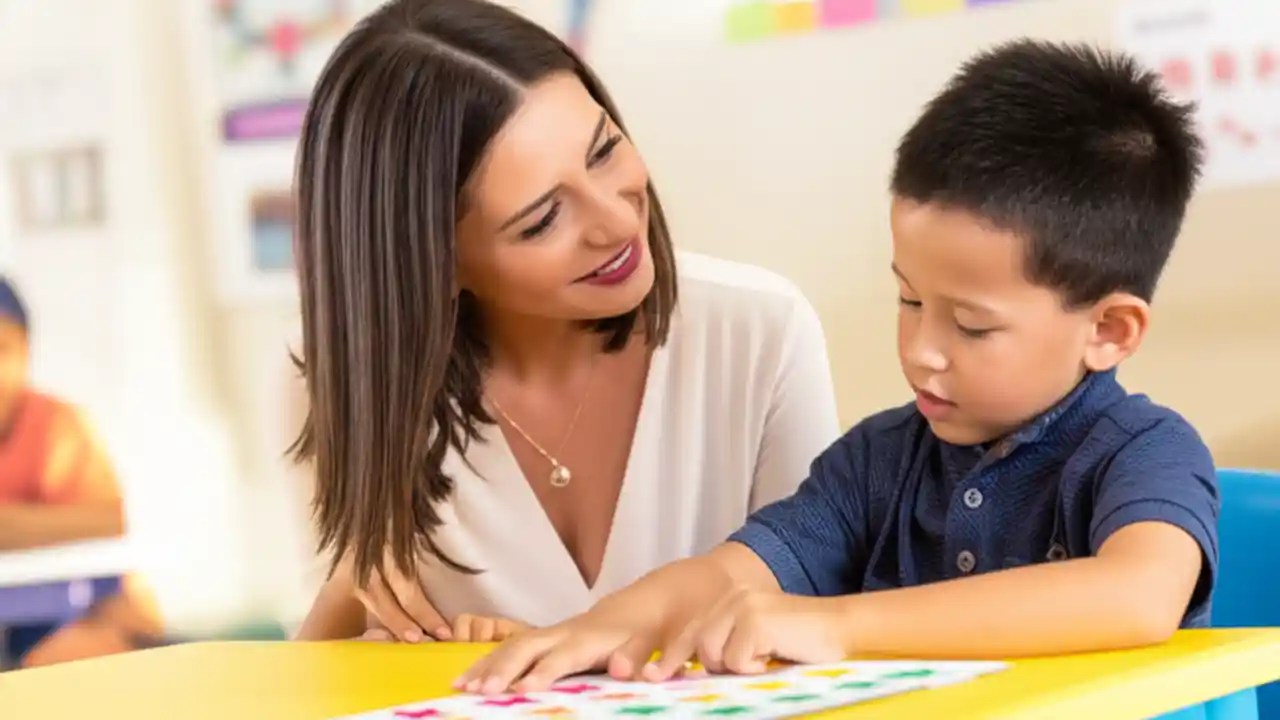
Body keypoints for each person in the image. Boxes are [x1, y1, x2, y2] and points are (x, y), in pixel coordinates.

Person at [458, 39, 1219, 693]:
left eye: (973, 326)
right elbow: (734, 573)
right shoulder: (878, 462)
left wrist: (839, 624)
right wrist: (599, 627)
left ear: (1111, 331)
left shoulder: (1145, 451)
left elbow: (1136, 595)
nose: (921, 349)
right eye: (909, 300)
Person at [291, 0, 840, 643]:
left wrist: (575, 664)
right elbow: (319, 682)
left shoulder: (759, 332)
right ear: (436, 264)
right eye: (543, 220)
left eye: (604, 151)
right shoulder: (351, 385)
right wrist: (353, 585)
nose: (615, 221)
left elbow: (816, 627)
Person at [0, 276, 162, 667]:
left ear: (27, 352)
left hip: (73, 617)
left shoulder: (56, 423)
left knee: (79, 656)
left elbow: (109, 519)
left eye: (1, 349)